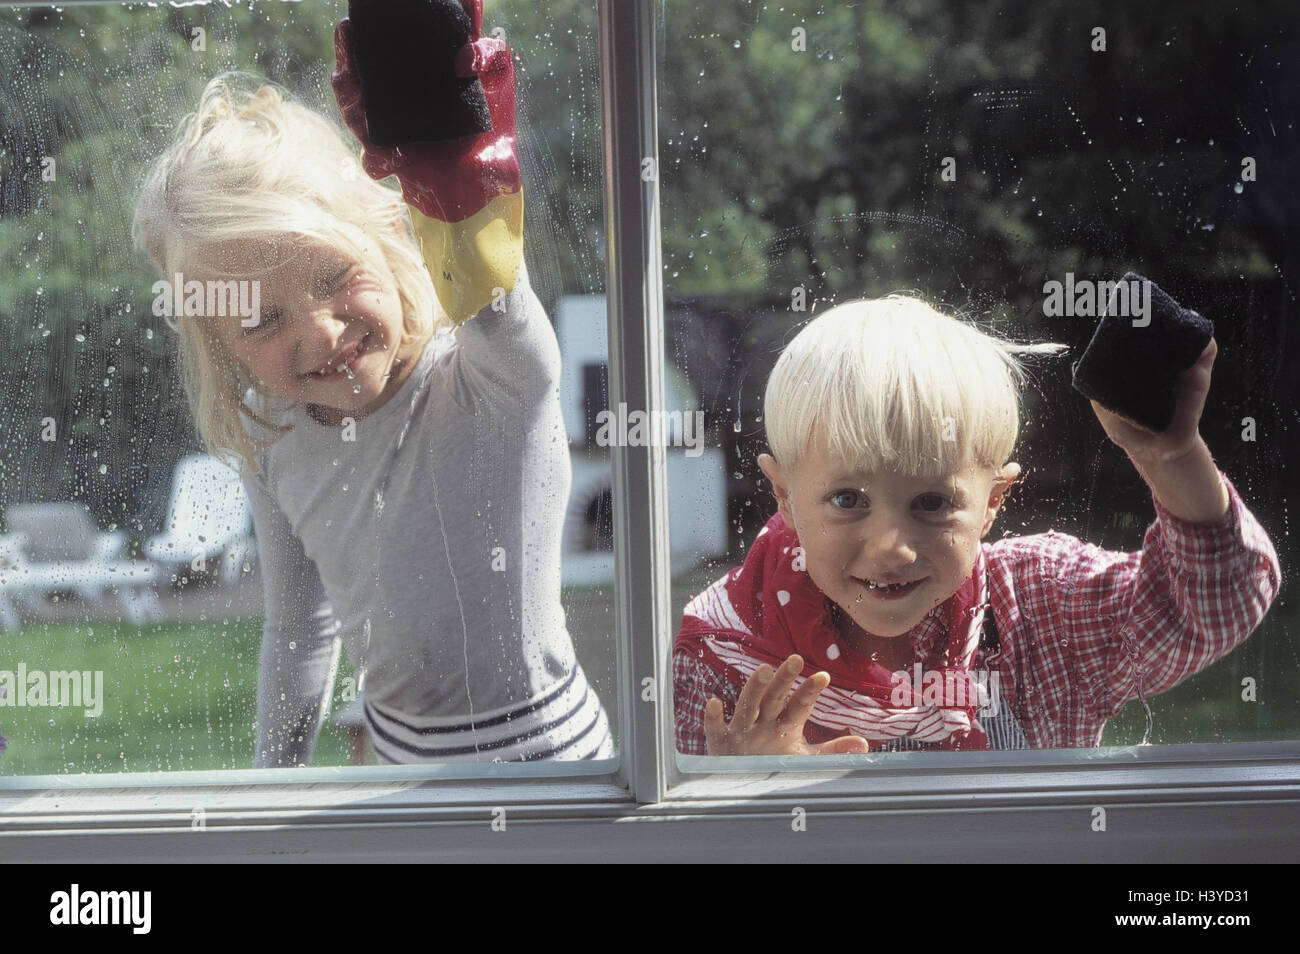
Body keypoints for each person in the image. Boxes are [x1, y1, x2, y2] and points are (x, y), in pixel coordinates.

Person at [132, 2, 613, 766]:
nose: (320, 332)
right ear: (220, 348)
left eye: (335, 277)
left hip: (551, 768)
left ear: (394, 235)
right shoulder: (271, 430)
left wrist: (455, 177)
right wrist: (270, 790)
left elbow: (494, 293)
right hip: (391, 773)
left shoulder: (491, 375)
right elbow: (300, 625)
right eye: (261, 320)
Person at [673, 295, 1281, 754]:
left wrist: (1172, 458)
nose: (891, 549)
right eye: (848, 499)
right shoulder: (724, 657)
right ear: (784, 495)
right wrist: (745, 791)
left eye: (932, 503)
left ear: (994, 500)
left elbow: (1215, 605)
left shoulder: (1040, 608)